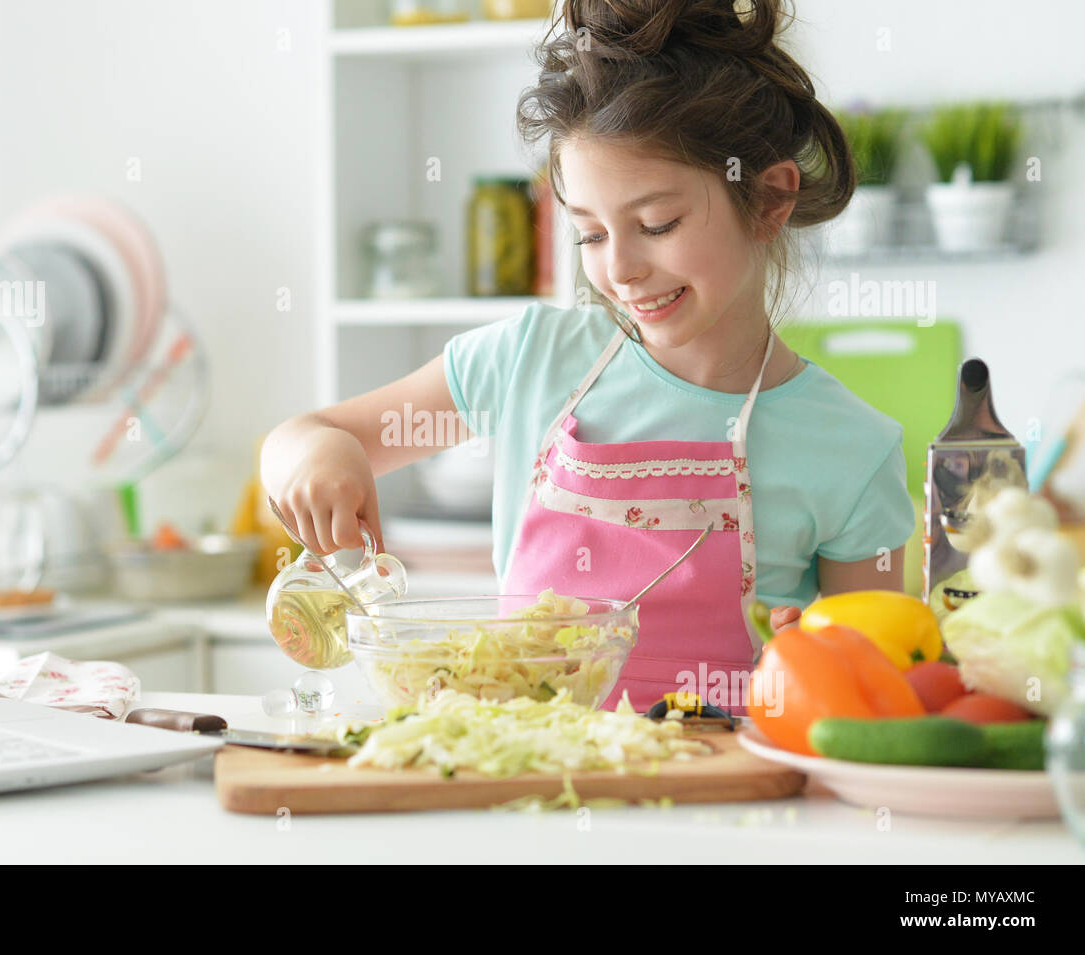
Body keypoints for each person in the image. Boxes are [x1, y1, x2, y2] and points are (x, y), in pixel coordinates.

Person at [261, 0, 915, 712]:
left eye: (655, 224)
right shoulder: (528, 362)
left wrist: (815, 668)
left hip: (726, 812)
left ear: (769, 199)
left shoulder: (853, 450)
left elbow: (871, 707)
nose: (621, 269)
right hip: (526, 789)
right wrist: (321, 458)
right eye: (590, 234)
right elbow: (301, 438)